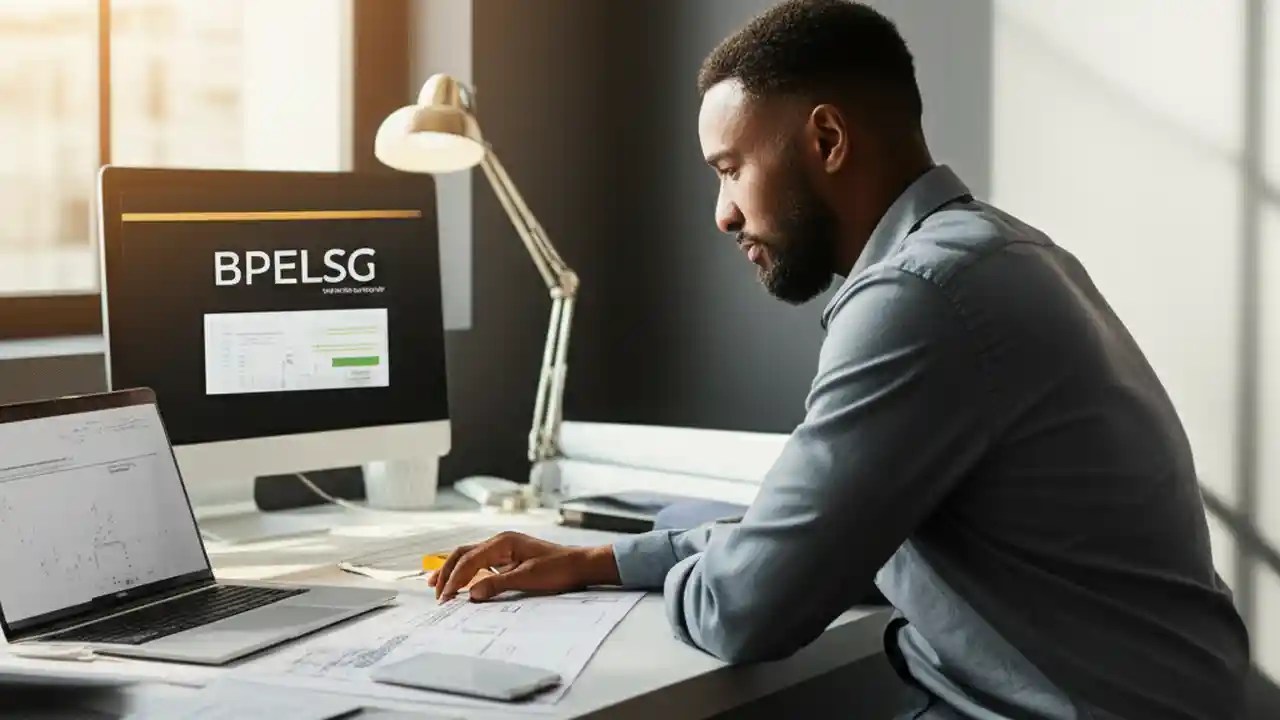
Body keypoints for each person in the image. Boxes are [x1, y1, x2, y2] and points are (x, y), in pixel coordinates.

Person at [430, 1, 1251, 717]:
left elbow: (747, 609)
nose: (723, 214)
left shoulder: (919, 296)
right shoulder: (1000, 255)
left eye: (730, 169)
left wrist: (697, 573)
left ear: (825, 137)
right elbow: (822, 539)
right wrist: (604, 559)